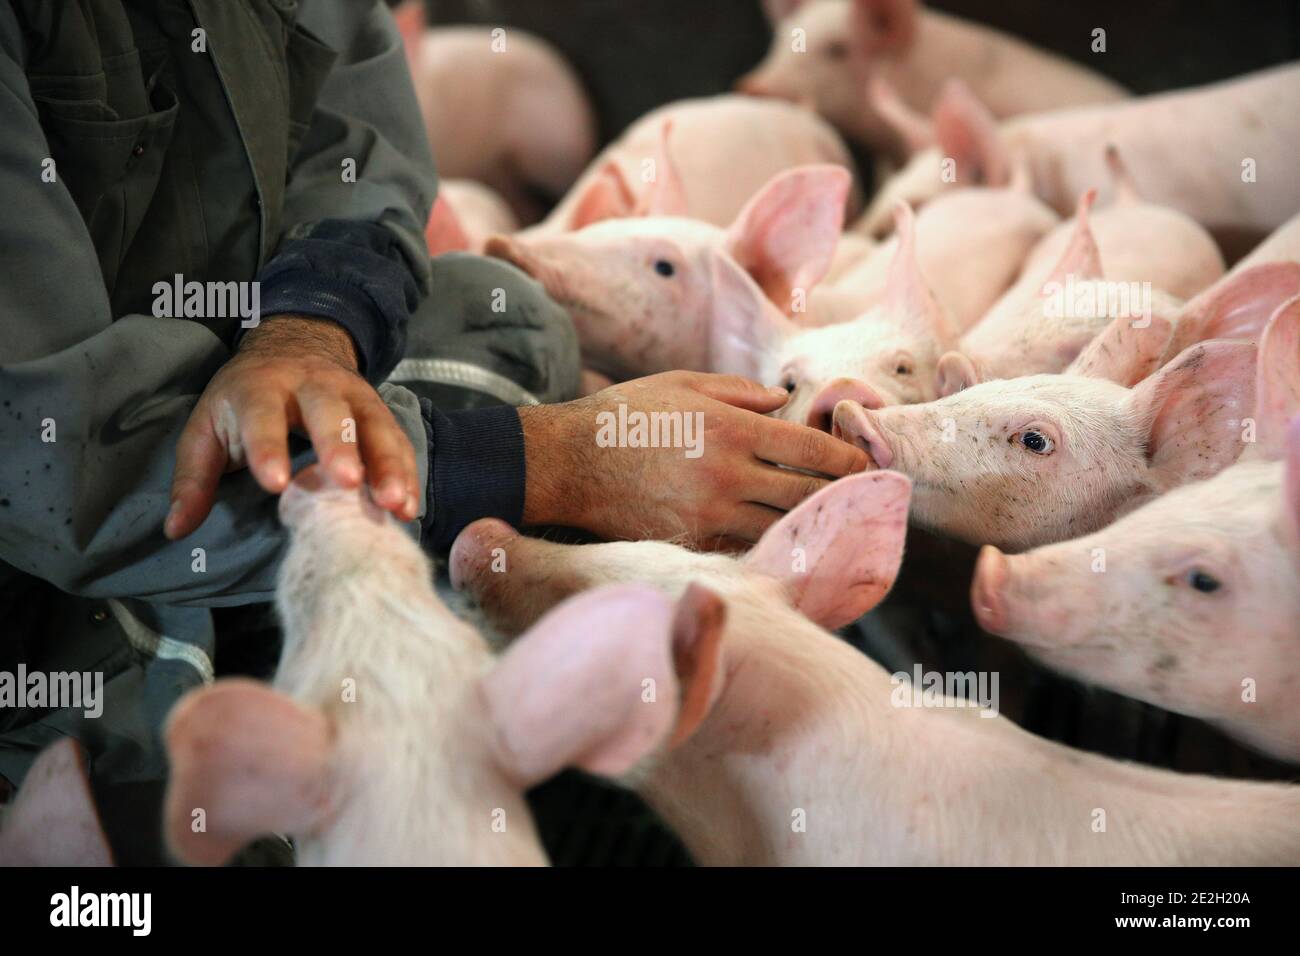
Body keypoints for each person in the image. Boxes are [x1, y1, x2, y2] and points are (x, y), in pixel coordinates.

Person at [0, 0, 863, 863]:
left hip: (264, 366)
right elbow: (48, 461)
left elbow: (356, 136)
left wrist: (312, 321)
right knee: (115, 811)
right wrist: (560, 461)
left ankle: (326, 699)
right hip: (57, 530)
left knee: (508, 316)